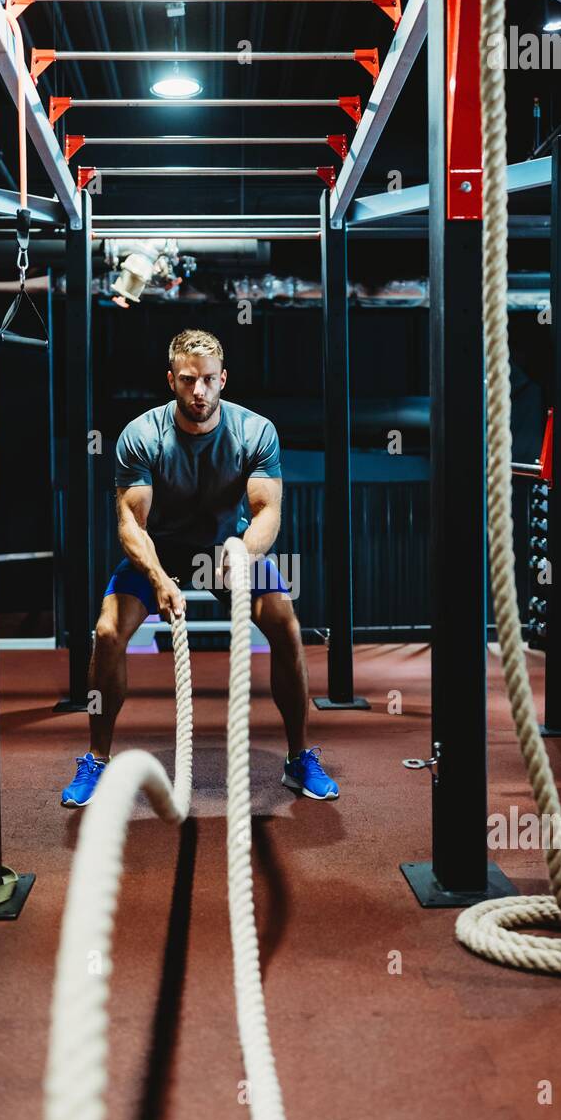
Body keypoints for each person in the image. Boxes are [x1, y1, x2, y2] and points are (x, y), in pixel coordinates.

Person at [61, 327, 339, 807]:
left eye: (209, 379)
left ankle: (298, 757)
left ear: (224, 379)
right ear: (171, 379)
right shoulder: (141, 435)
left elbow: (267, 511)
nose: (199, 391)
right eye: (188, 380)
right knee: (107, 634)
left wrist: (243, 558)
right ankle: (96, 759)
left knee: (285, 623)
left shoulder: (256, 431)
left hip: (225, 552)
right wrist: (156, 578)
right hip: (158, 552)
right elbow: (130, 524)